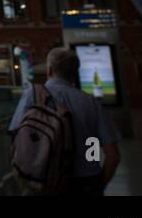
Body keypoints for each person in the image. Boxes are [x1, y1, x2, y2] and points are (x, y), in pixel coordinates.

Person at [8, 47, 121, 195]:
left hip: (44, 179)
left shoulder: (33, 96)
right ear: (75, 73)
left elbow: (15, 134)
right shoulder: (91, 103)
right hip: (86, 180)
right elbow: (112, 155)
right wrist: (98, 186)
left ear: (49, 71)